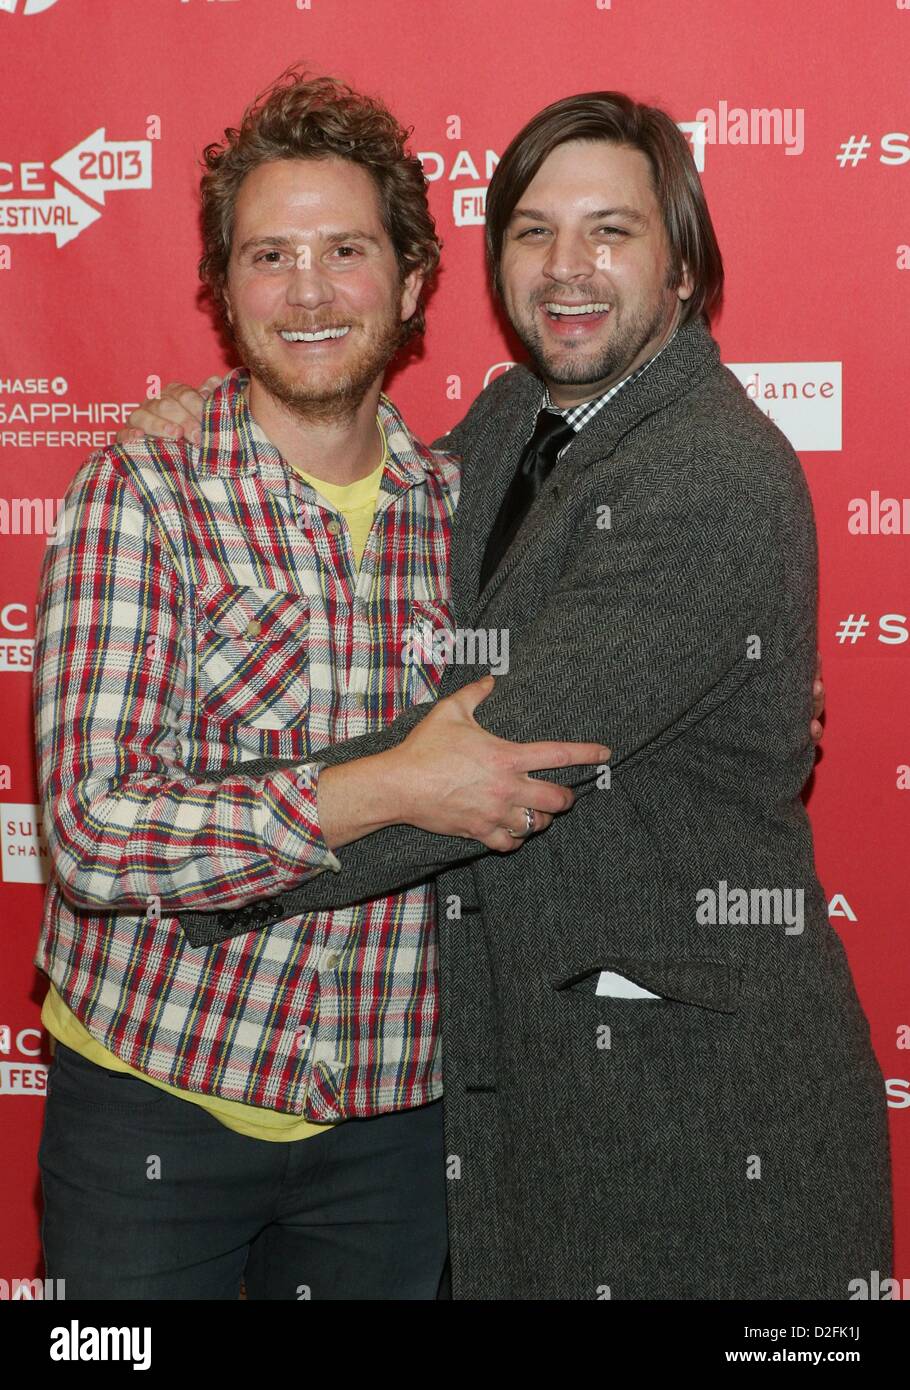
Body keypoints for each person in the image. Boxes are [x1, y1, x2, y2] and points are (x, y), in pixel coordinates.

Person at [128, 90, 889, 1302]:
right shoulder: (513, 420)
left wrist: (172, 832)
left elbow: (482, 760)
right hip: (530, 1093)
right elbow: (376, 532)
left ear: (684, 265)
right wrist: (210, 423)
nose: (567, 269)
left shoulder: (713, 474)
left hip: (693, 1120)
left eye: (611, 232)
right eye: (533, 232)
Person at [32, 67, 609, 1301]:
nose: (305, 293)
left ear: (407, 286)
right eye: (267, 257)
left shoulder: (473, 520)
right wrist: (388, 788)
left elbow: (617, 670)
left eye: (344, 251)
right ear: (224, 291)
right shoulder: (142, 492)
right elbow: (92, 832)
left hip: (396, 1121)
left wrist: (745, 678)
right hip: (152, 1097)